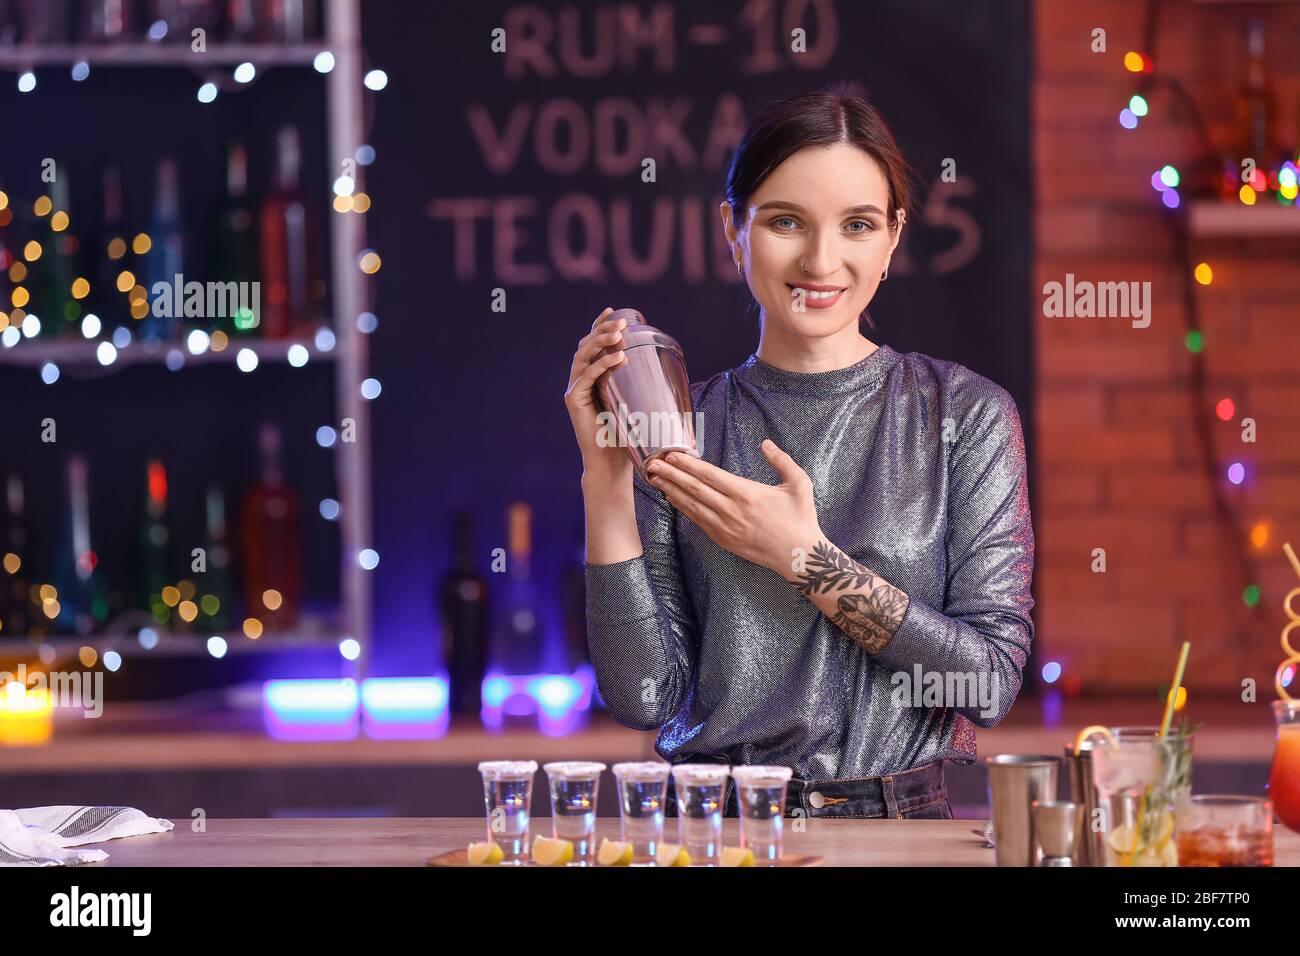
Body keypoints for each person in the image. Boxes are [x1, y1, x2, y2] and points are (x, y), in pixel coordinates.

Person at [563, 86, 1035, 821]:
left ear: (893, 237)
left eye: (857, 225)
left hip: (901, 839)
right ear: (733, 228)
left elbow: (986, 686)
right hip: (719, 833)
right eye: (786, 221)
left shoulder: (965, 415)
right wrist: (606, 481)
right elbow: (643, 696)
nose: (822, 260)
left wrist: (805, 560)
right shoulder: (683, 430)